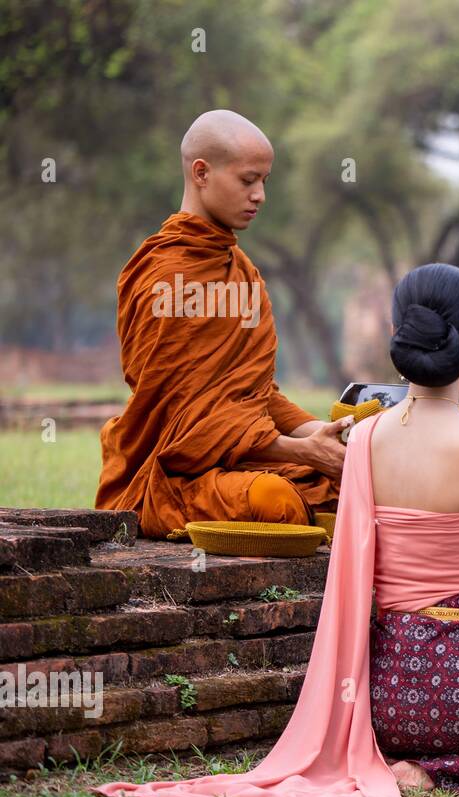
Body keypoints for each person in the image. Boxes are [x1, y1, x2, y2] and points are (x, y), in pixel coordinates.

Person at [91, 263, 459, 797]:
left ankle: (417, 758)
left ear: (402, 336)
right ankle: (445, 770)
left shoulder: (364, 438)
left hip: (381, 700)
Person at [96, 109, 347, 538]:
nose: (260, 196)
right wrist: (302, 452)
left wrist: (319, 434)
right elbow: (181, 421)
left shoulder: (243, 272)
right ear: (201, 173)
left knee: (358, 485)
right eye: (248, 180)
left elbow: (257, 394)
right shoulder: (163, 276)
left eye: (265, 181)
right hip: (172, 473)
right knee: (274, 501)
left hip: (242, 457)